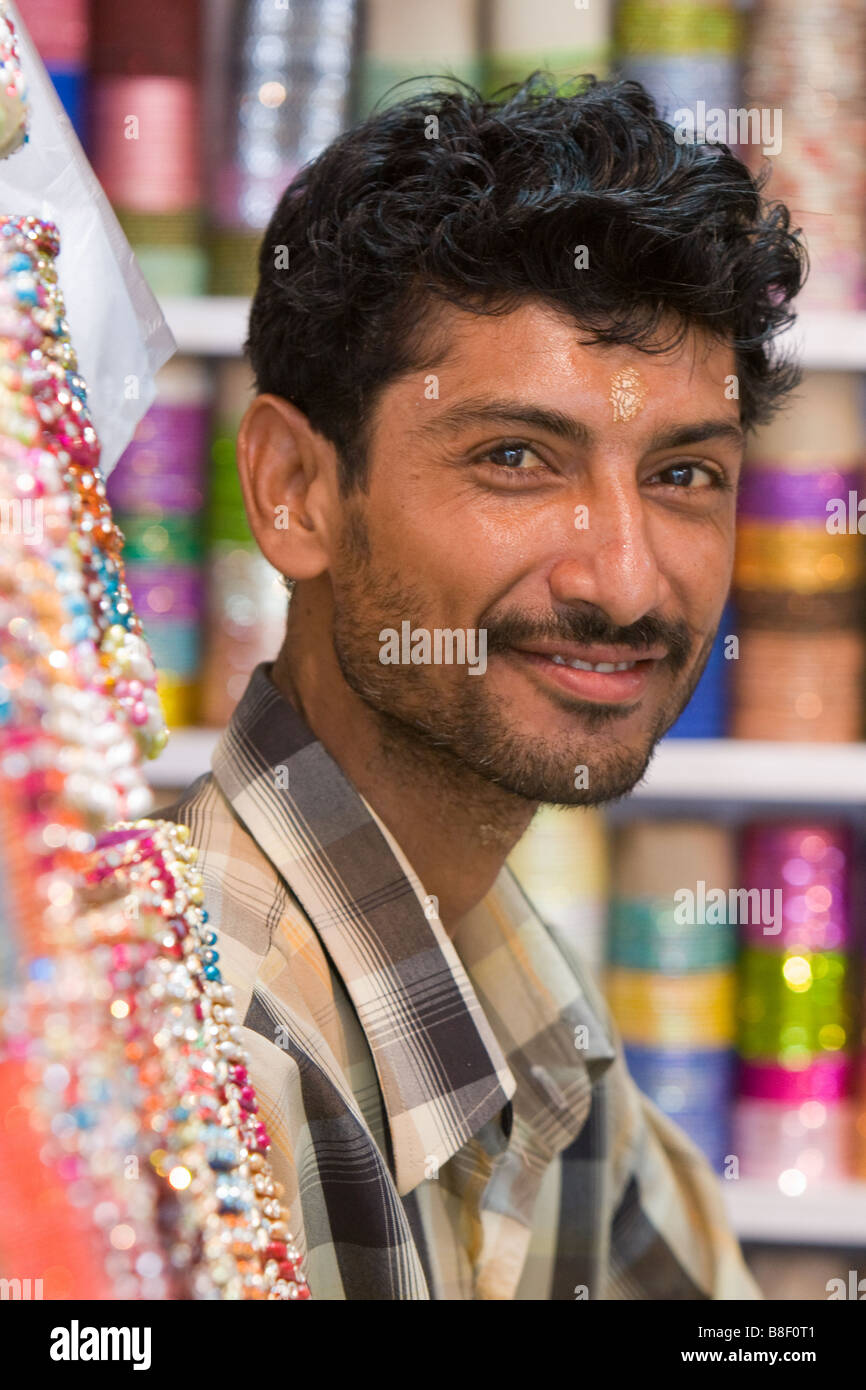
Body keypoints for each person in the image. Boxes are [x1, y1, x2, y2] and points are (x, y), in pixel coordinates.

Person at [161, 73, 806, 1299]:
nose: (621, 582)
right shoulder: (180, 1064)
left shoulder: (526, 1005)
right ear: (294, 488)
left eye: (680, 475)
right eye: (514, 457)